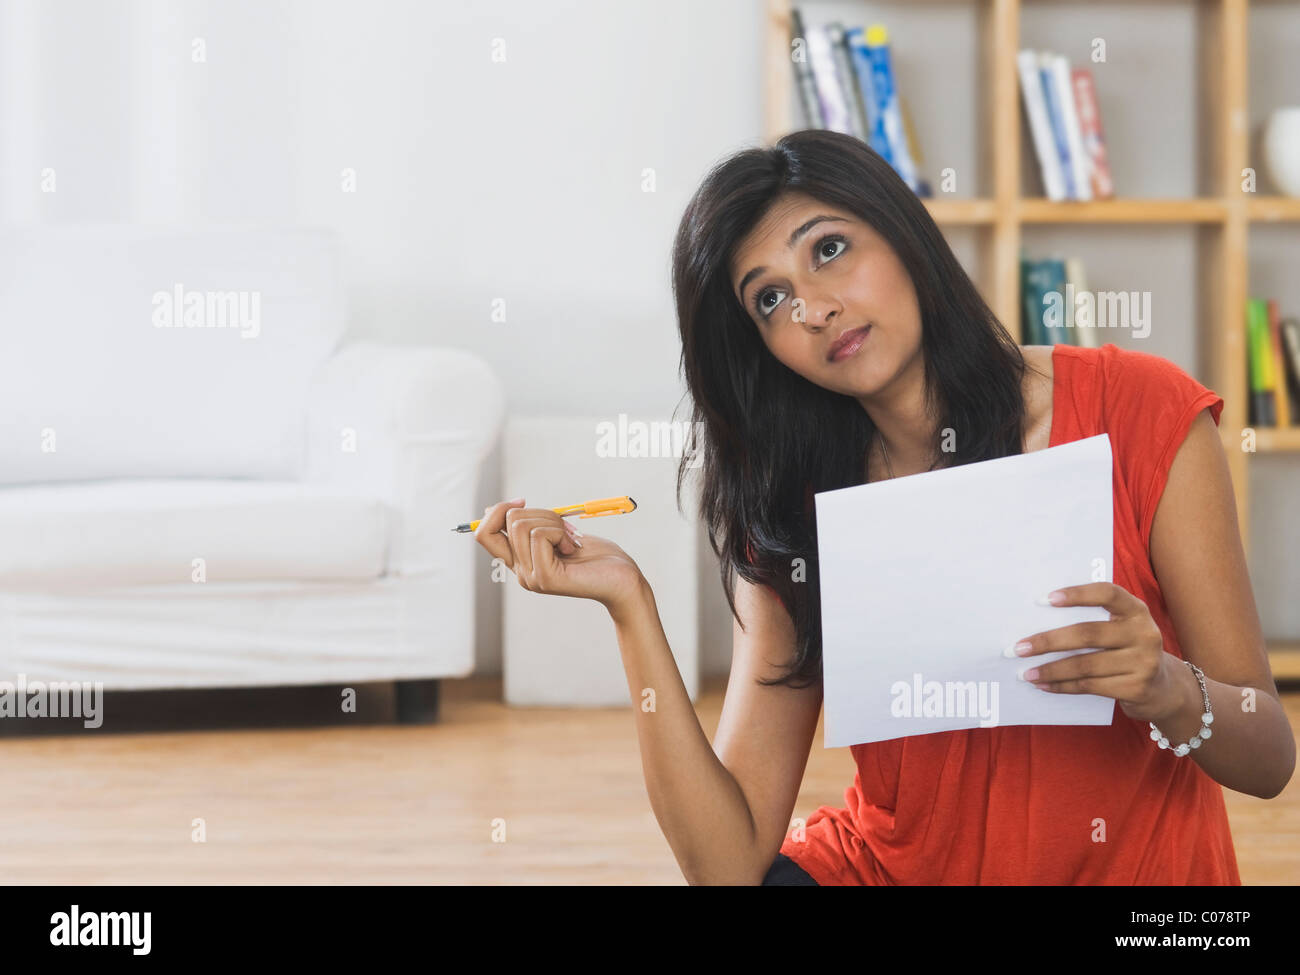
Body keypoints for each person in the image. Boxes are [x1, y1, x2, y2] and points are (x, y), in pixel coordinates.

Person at [473, 129, 1294, 885]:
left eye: (830, 250)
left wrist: (1166, 686)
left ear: (902, 233)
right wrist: (631, 606)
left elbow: (1269, 757)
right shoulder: (797, 509)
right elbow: (726, 863)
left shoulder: (1142, 412)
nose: (812, 308)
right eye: (769, 300)